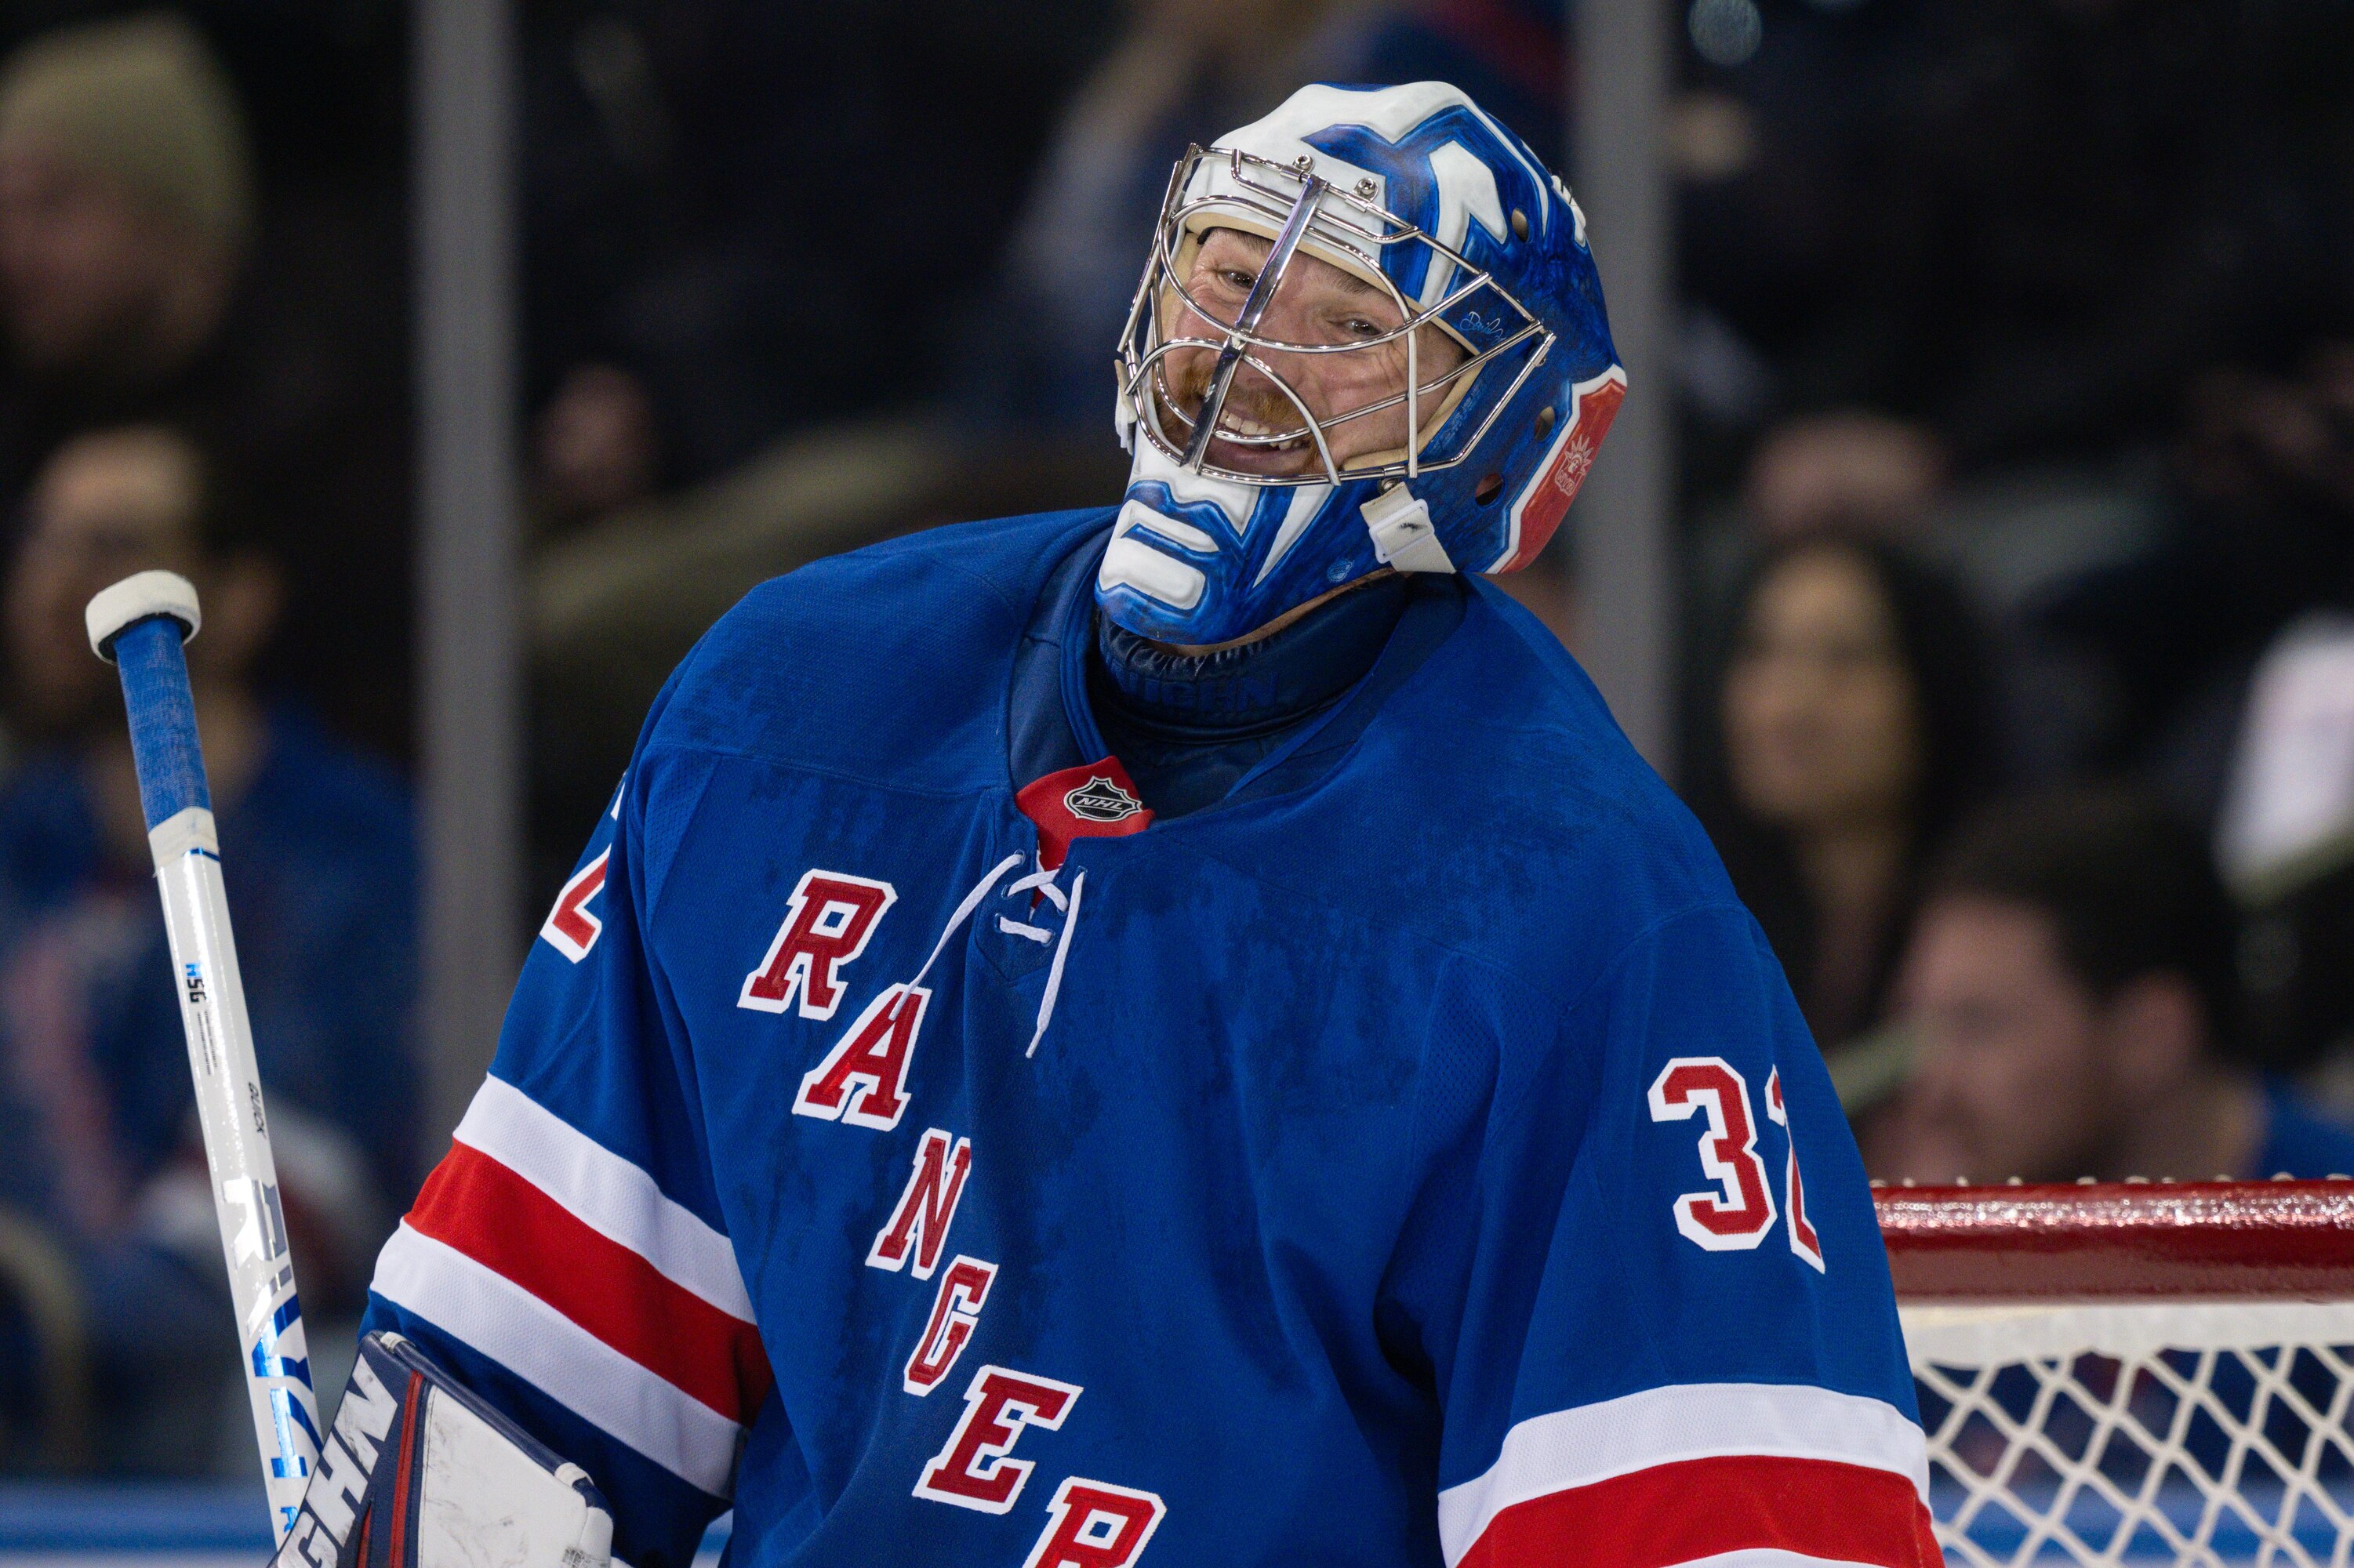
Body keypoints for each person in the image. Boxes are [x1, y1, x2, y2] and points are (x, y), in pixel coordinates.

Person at [305, 84, 1936, 1568]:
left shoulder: (1578, 909)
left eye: (1351, 322)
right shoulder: (788, 709)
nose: (1239, 366)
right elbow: (526, 1379)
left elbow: (1718, 1528)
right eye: (1229, 279)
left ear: (1509, 445)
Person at [0, 425, 414, 1472]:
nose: (52, 586)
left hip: (221, 1386)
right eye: (39, 542)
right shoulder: (23, 838)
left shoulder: (351, 843)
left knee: (312, 1401)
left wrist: (45, 1327)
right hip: (33, 1378)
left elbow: (295, 1183)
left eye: (108, 544)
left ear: (238, 595)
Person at [0, 13, 410, 760]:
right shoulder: (32, 390)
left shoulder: (330, 404)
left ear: (171, 211)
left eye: (52, 206)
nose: (15, 252)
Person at [1882, 789, 2354, 1185]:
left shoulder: (2337, 1225)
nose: (1932, 1090)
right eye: (1926, 1029)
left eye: (1979, 1026)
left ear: (2152, 1035)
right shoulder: (1938, 1226)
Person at [1690, 534, 2000, 1061]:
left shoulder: (1998, 932)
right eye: (1763, 652)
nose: (1789, 710)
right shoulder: (1696, 921)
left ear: (1932, 685)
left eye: (1846, 658)